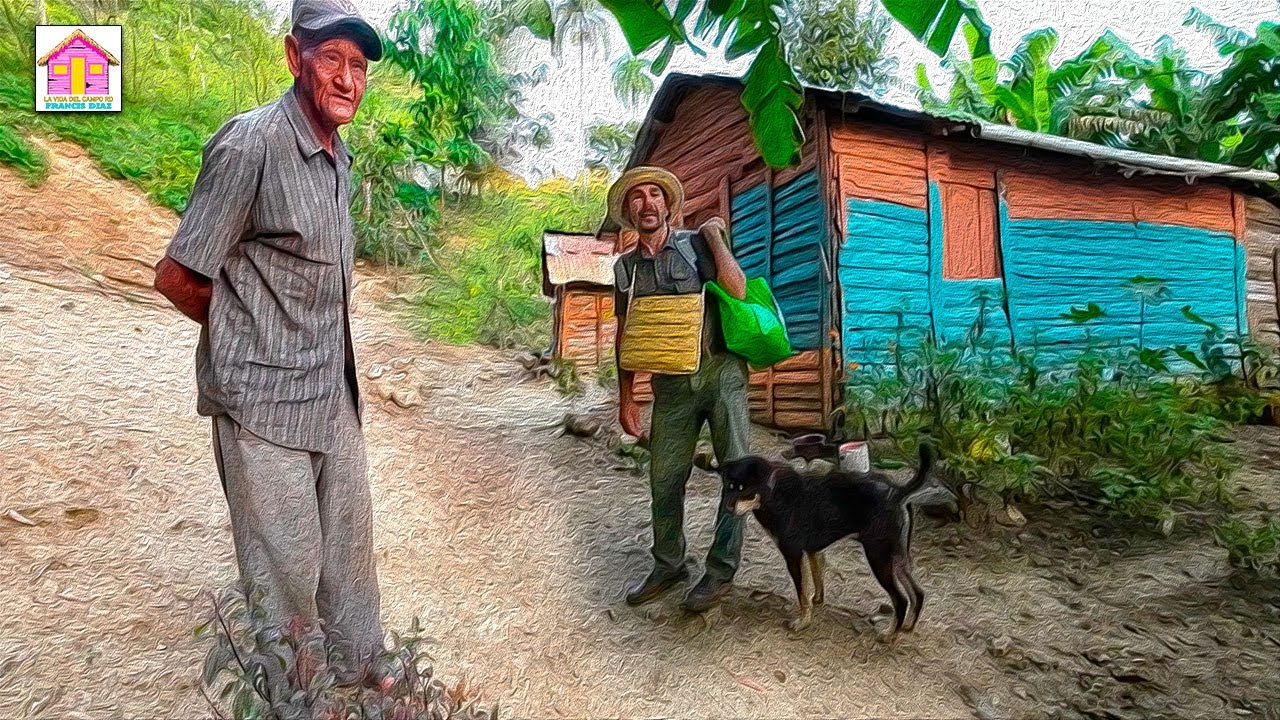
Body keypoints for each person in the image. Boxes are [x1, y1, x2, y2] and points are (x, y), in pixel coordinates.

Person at [152, 0, 385, 674]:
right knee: (285, 574)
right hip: (261, 406)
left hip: (330, 392)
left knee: (348, 557)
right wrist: (245, 340)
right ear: (294, 58)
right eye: (332, 59)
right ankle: (298, 699)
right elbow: (176, 275)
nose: (347, 78)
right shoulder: (251, 142)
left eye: (359, 65)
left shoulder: (339, 158)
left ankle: (368, 688)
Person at [611, 166, 753, 613]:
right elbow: (625, 333)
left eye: (655, 195)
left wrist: (714, 237)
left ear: (668, 205)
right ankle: (669, 563)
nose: (648, 203)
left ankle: (720, 570)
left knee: (737, 475)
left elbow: (737, 289)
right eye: (638, 198)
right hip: (669, 386)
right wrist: (627, 396)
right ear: (629, 212)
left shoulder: (695, 245)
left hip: (721, 375)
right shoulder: (625, 268)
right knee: (665, 478)